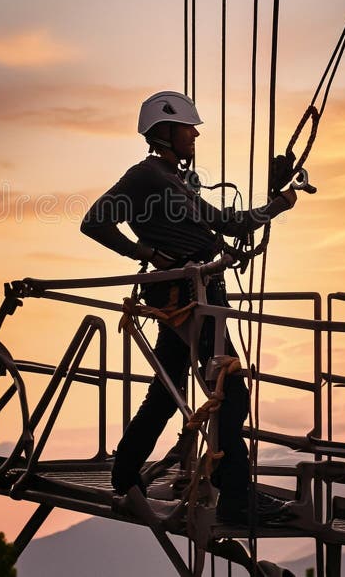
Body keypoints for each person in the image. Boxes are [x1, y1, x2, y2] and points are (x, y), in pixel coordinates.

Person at [80, 90, 298, 525]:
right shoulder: (148, 178)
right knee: (230, 393)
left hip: (194, 293)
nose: (195, 134)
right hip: (190, 298)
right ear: (165, 133)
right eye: (187, 128)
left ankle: (125, 476)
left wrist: (273, 208)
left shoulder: (173, 180)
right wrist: (146, 252)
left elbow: (222, 226)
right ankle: (236, 497)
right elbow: (95, 221)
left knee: (166, 391)